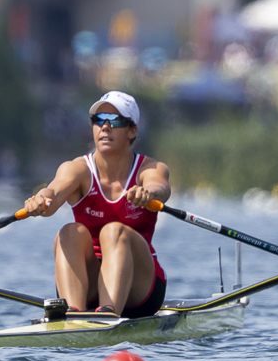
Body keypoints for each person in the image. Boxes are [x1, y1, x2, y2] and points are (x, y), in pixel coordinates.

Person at [23, 91, 172, 317]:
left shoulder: (150, 169)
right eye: (98, 120)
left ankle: (108, 313)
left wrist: (148, 193)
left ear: (132, 131)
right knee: (69, 232)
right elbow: (53, 192)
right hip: (90, 282)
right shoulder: (77, 169)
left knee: (113, 231)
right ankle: (74, 313)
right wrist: (40, 199)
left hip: (140, 290)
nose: (105, 127)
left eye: (115, 121)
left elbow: (160, 188)